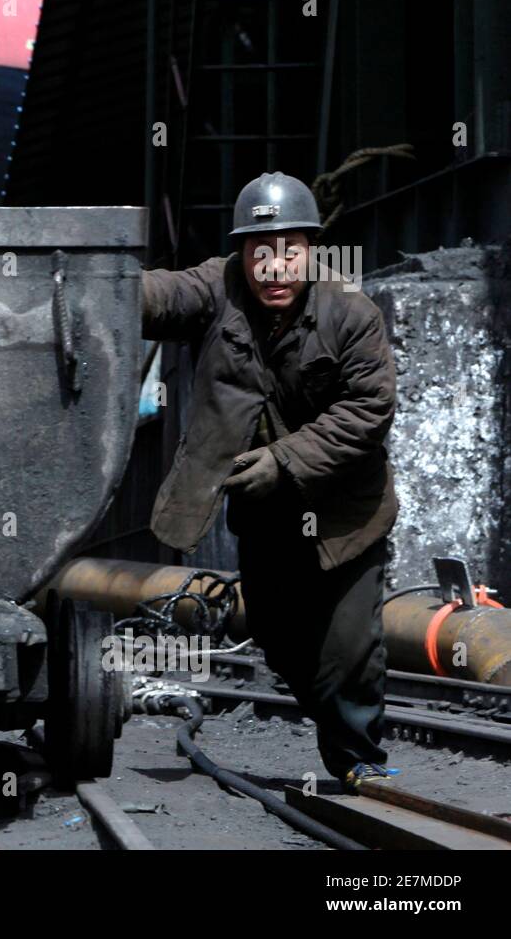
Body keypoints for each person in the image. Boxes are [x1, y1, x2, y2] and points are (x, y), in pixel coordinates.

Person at [141, 171, 398, 790]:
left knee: (347, 655)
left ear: (312, 248)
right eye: (261, 252)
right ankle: (336, 719)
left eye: (290, 250)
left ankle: (359, 758)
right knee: (281, 645)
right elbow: (158, 296)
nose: (275, 267)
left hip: (344, 519)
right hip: (265, 520)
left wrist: (285, 461)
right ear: (242, 253)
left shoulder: (351, 314)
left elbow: (368, 409)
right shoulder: (218, 287)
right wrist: (92, 280)